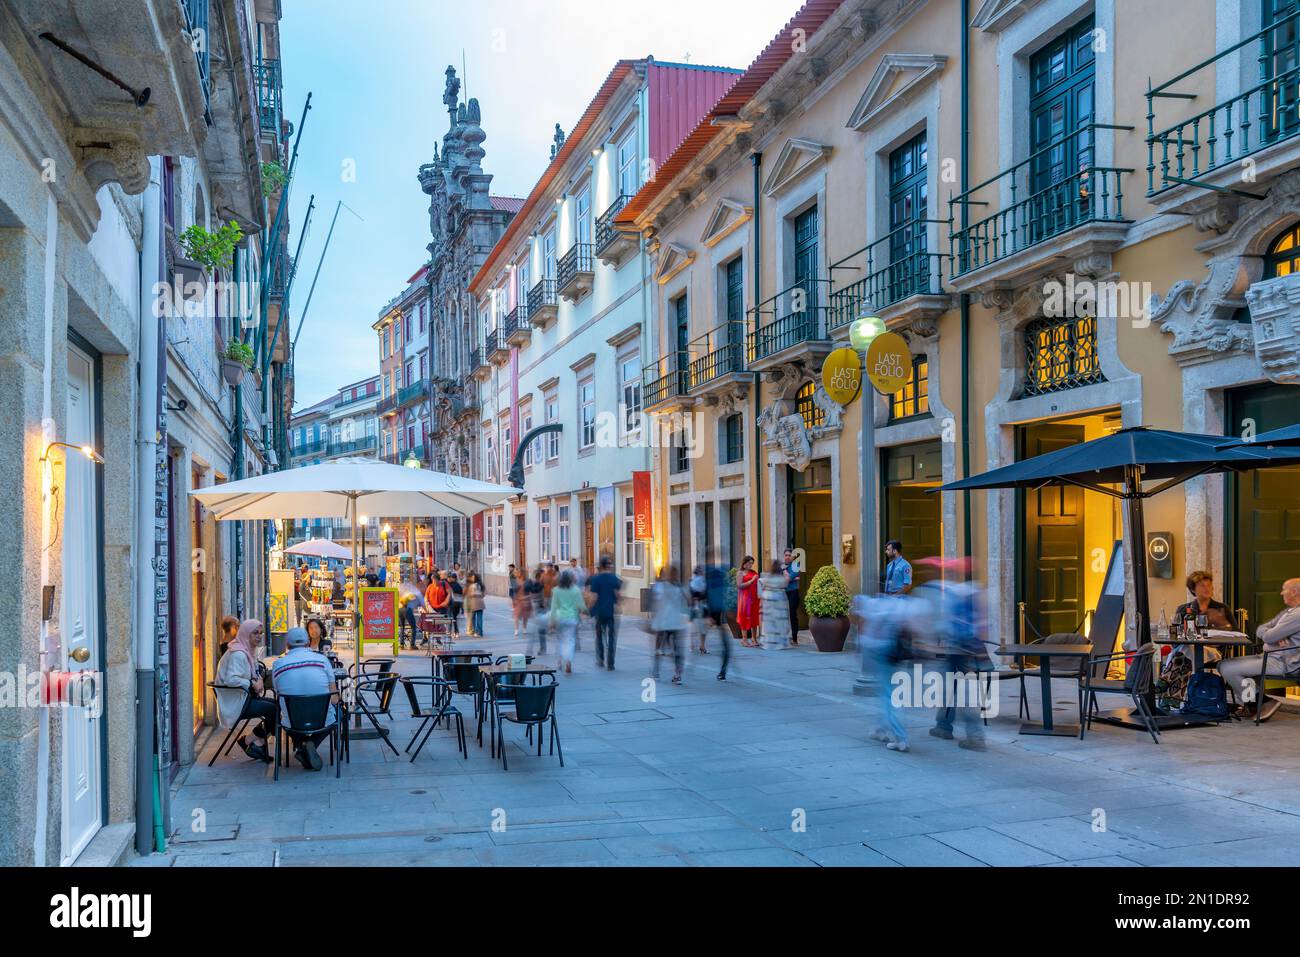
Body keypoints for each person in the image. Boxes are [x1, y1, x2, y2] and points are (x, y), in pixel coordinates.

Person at [1220, 578, 1300, 721]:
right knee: (1223, 664)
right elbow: (1261, 630)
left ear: (1294, 592)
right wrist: (1273, 636)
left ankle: (1262, 702)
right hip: (1270, 656)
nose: (1281, 593)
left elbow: (1268, 637)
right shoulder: (1288, 612)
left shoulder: (1297, 615)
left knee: (1227, 667)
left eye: (1284, 589)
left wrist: (1271, 637)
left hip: (1284, 662)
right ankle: (1254, 705)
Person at [270, 627, 338, 771]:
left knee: (286, 715)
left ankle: (303, 745)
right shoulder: (322, 660)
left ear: (287, 645)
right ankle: (309, 745)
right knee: (339, 713)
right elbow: (334, 698)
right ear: (308, 643)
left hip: (293, 722)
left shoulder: (278, 665)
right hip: (322, 720)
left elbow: (278, 692)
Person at [852, 594, 911, 752]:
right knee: (885, 691)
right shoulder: (896, 604)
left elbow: (862, 626)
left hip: (878, 651)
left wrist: (860, 649)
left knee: (887, 695)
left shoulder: (869, 603)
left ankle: (901, 738)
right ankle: (880, 728)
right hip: (890, 651)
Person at [212, 619, 274, 763]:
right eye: (255, 633)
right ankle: (253, 741)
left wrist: (257, 680)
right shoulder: (238, 654)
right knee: (274, 710)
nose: (259, 636)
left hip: (244, 697)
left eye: (261, 633)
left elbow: (252, 671)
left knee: (276, 706)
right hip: (236, 702)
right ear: (246, 634)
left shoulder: (246, 649)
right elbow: (231, 679)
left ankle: (252, 741)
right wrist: (252, 683)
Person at [649, 565, 689, 684]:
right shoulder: (665, 586)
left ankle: (676, 674)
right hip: (665, 621)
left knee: (673, 649)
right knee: (660, 648)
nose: (672, 576)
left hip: (673, 622)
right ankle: (657, 671)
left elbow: (687, 602)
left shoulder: (675, 587)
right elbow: (656, 603)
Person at [586, 556, 623, 670]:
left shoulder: (596, 579)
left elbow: (594, 597)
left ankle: (601, 659)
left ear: (600, 566)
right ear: (608, 566)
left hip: (599, 613)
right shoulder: (614, 578)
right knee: (612, 638)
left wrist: (588, 609)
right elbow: (617, 594)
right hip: (611, 612)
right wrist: (619, 604)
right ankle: (611, 663)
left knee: (599, 637)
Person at [549, 569, 584, 674]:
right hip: (572, 618)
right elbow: (581, 605)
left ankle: (559, 661)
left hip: (560, 619)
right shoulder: (576, 590)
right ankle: (568, 662)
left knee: (560, 640)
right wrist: (586, 611)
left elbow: (554, 607)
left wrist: (551, 621)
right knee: (570, 641)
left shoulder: (556, 590)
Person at [704, 552, 732, 681]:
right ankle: (723, 672)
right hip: (714, 614)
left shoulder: (715, 576)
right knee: (724, 645)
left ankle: (723, 672)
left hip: (717, 614)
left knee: (725, 645)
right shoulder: (714, 576)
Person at [759, 560, 791, 650]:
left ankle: (768, 642)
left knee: (769, 623)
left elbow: (762, 583)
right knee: (779, 622)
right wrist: (784, 570)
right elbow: (787, 579)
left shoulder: (767, 577)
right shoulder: (781, 579)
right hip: (779, 600)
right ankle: (779, 643)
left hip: (768, 600)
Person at [736, 556, 760, 646]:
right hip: (745, 599)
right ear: (744, 564)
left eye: (752, 563)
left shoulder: (754, 572)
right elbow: (739, 585)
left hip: (754, 598)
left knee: (754, 618)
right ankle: (744, 639)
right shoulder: (740, 573)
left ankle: (754, 639)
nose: (751, 565)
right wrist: (751, 581)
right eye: (749, 563)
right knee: (744, 618)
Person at [525, 567, 548, 655]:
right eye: (543, 575)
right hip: (539, 609)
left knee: (539, 631)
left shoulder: (536, 584)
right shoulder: (538, 585)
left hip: (538, 609)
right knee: (538, 630)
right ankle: (535, 649)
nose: (544, 577)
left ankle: (538, 649)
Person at [782, 549, 802, 644]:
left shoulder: (795, 565)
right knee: (782, 615)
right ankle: (784, 637)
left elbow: (788, 578)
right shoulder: (781, 565)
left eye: (789, 555)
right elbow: (777, 579)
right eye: (786, 555)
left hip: (793, 592)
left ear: (793, 557)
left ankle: (794, 638)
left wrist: (784, 572)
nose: (787, 557)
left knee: (792, 615)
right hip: (782, 593)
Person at [689, 566, 708, 654]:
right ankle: (699, 646)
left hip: (700, 606)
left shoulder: (696, 581)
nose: (703, 573)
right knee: (698, 627)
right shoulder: (696, 582)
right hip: (698, 606)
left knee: (699, 627)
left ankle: (699, 646)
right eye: (702, 571)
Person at [465, 572, 485, 637]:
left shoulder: (472, 585)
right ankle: (480, 632)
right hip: (480, 603)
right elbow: (483, 594)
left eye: (472, 577)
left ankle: (475, 632)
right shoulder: (481, 585)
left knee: (473, 618)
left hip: (473, 603)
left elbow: (469, 594)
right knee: (479, 618)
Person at [447, 571, 464, 637]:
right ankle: (456, 632)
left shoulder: (450, 585)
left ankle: (450, 631)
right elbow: (461, 594)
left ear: (453, 578)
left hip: (452, 603)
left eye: (451, 577)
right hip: (458, 603)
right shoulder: (459, 585)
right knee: (454, 618)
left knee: (451, 618)